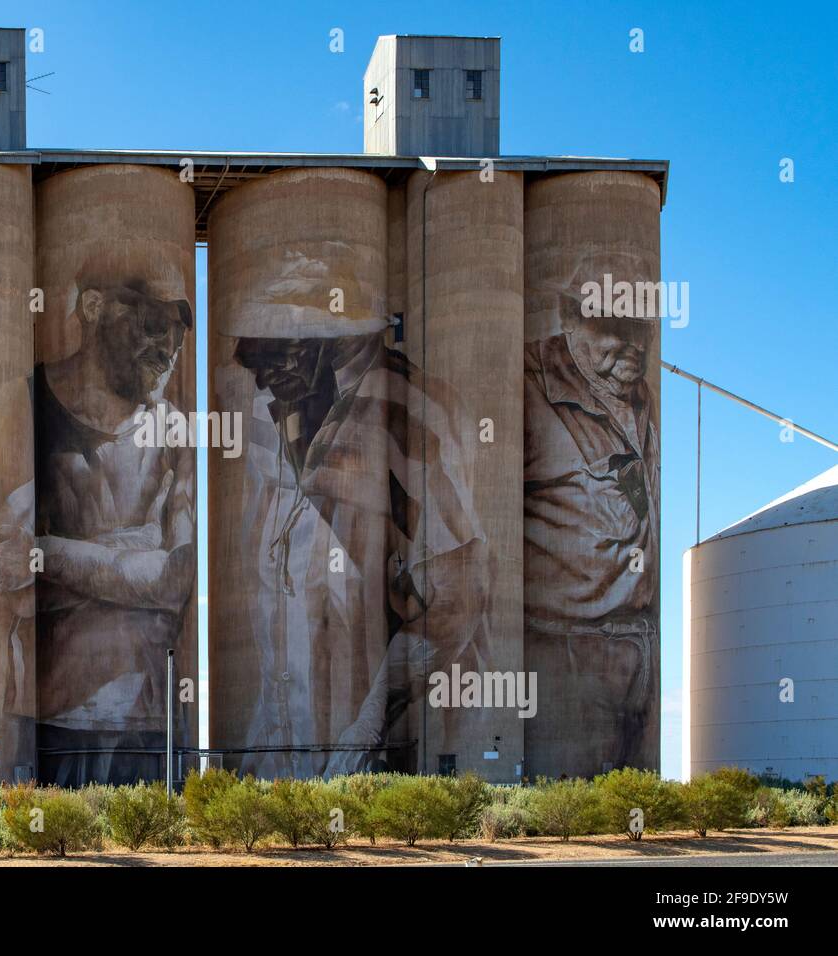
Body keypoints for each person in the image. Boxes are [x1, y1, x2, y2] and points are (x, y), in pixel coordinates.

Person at [219, 248, 489, 779]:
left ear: (332, 343)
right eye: (255, 358)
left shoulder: (415, 416)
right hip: (286, 759)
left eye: (277, 355)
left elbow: (458, 596)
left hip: (377, 759)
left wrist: (368, 727)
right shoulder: (270, 420)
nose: (261, 378)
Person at [0, 254, 196, 787]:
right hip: (51, 716)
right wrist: (133, 553)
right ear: (94, 307)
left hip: (150, 720)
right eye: (150, 327)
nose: (165, 352)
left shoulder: (172, 429)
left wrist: (49, 554)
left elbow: (176, 580)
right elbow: (9, 587)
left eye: (175, 339)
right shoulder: (24, 403)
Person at [523, 255, 660, 775]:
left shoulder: (641, 396)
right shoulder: (529, 389)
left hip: (641, 649)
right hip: (569, 659)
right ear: (567, 315)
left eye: (641, 324)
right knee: (573, 805)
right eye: (613, 323)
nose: (635, 342)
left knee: (631, 815)